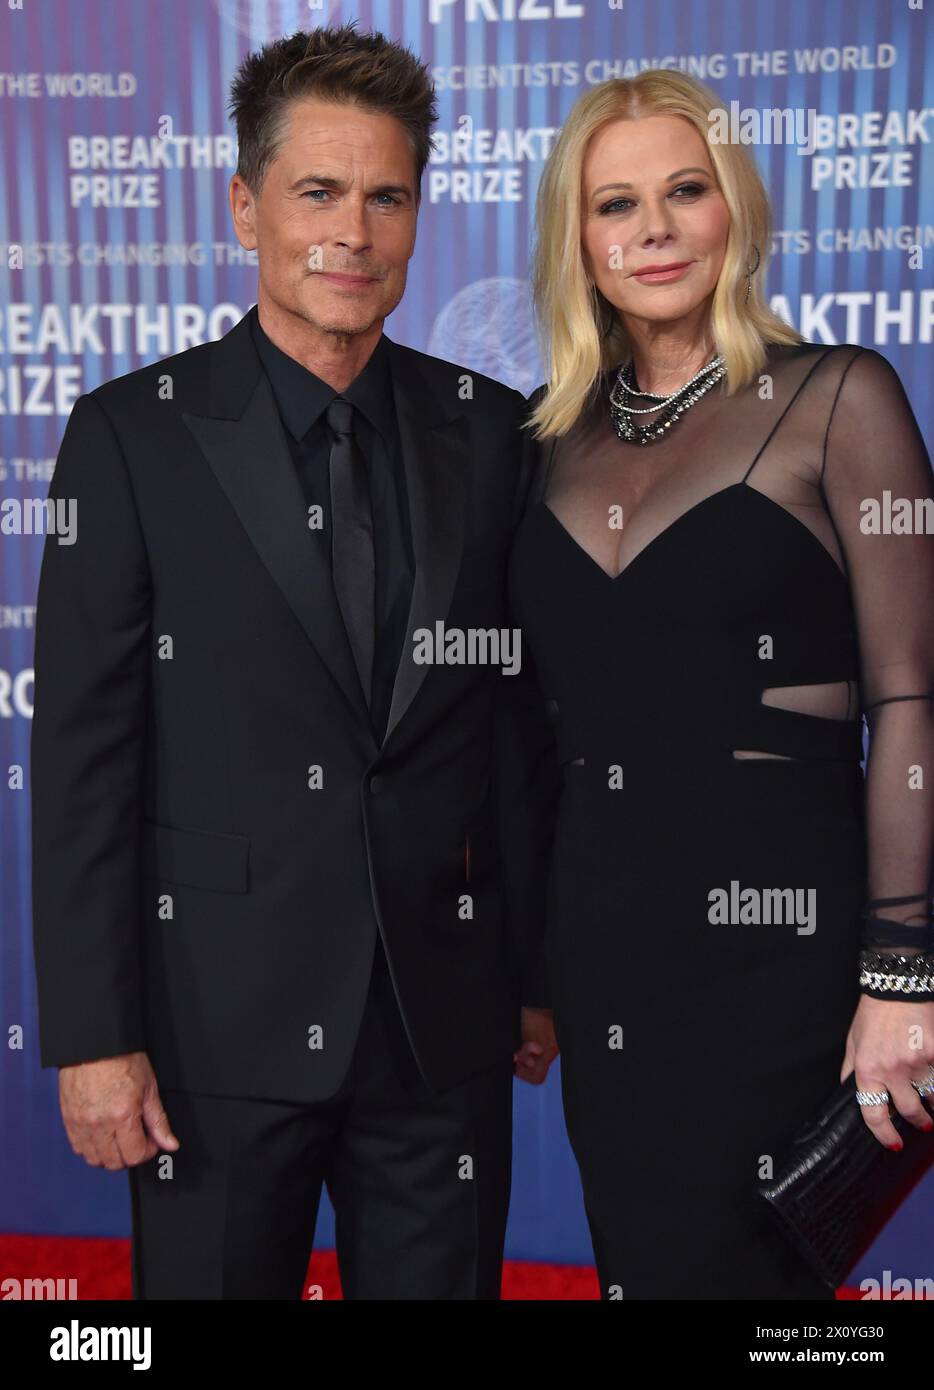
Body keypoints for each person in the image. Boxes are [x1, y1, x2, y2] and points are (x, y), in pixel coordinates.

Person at [31, 23, 560, 1301]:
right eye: (318, 192)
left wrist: (534, 974)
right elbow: (85, 764)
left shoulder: (493, 432)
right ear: (244, 207)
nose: (353, 232)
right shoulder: (129, 438)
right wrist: (96, 1041)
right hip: (210, 1036)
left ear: (420, 216)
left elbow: (517, 731)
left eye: (386, 196)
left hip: (439, 1037)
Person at [508, 69, 934, 1299]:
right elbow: (534, 731)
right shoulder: (546, 441)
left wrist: (901, 973)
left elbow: (911, 700)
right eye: (614, 204)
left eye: (682, 192)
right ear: (578, 242)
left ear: (732, 209)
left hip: (783, 961)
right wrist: (531, 974)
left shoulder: (835, 399)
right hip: (607, 962)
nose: (650, 230)